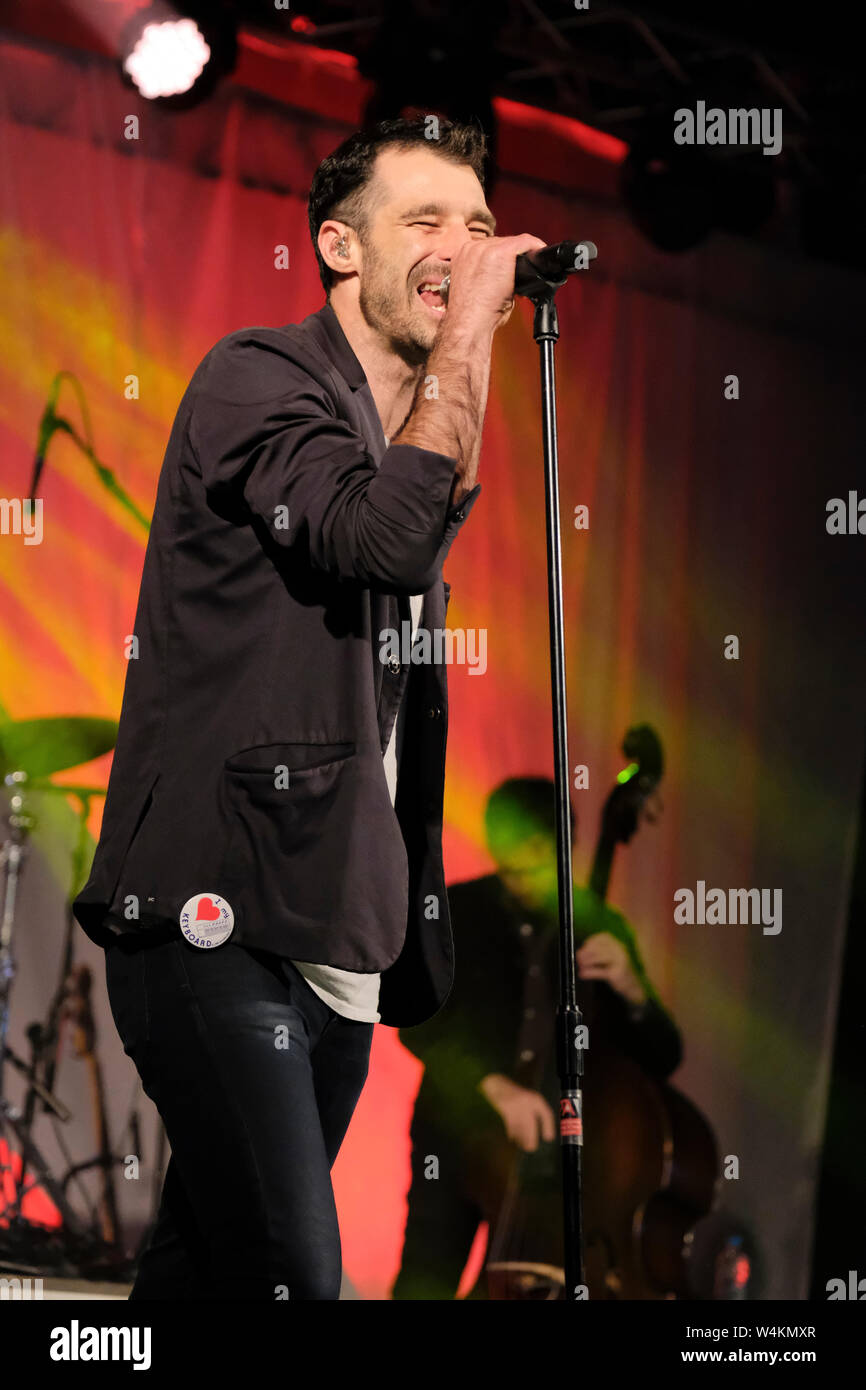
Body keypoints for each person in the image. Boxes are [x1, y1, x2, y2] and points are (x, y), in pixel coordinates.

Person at [72, 117, 545, 1300]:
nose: (463, 244)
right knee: (295, 1273)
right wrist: (470, 339)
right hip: (213, 910)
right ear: (338, 246)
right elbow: (377, 539)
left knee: (206, 1275)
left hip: (333, 938)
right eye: (425, 220)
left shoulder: (397, 445)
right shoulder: (257, 376)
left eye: (480, 225)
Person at [393, 776, 682, 1299]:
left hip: (554, 1164)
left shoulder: (600, 927)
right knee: (423, 1283)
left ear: (565, 851)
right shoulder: (454, 911)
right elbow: (415, 1020)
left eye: (538, 865)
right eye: (511, 867)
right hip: (456, 1135)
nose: (522, 881)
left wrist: (633, 991)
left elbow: (664, 1057)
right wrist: (494, 1086)